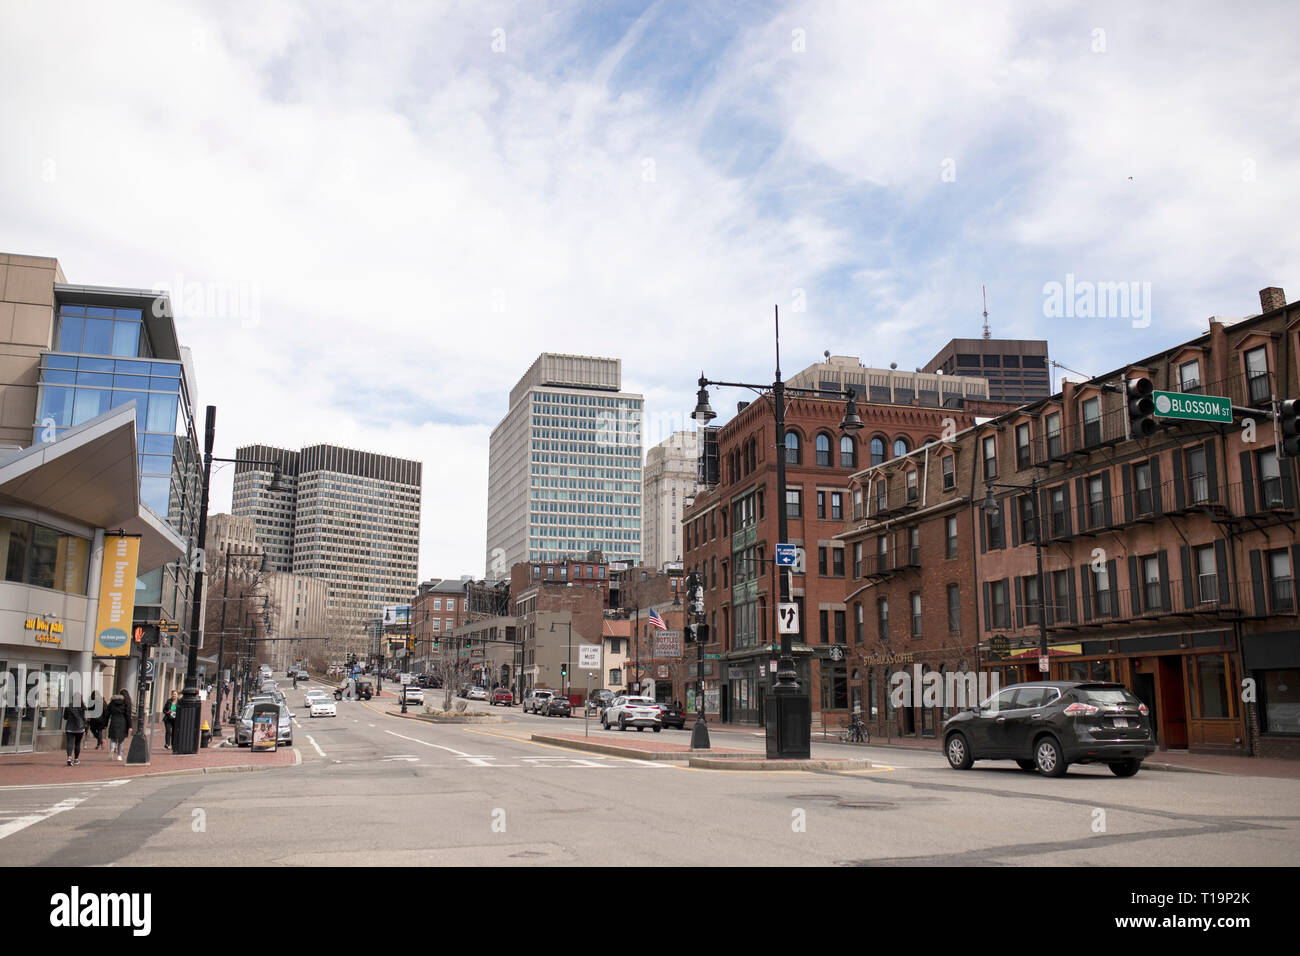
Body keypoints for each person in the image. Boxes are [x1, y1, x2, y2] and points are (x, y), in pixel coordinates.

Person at [63, 693, 88, 766]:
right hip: (80, 728)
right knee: (77, 743)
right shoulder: (83, 707)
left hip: (70, 728)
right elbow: (86, 718)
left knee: (70, 743)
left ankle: (69, 758)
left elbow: (65, 717)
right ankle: (76, 759)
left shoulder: (68, 706)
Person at [106, 691, 131, 760]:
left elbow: (107, 714)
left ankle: (112, 748)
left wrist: (105, 723)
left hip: (114, 721)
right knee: (121, 740)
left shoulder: (111, 704)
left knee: (113, 738)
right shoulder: (125, 704)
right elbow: (128, 715)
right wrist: (130, 726)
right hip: (122, 722)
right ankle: (119, 755)